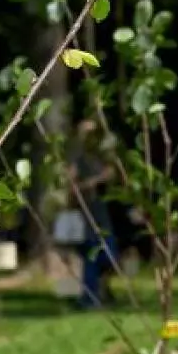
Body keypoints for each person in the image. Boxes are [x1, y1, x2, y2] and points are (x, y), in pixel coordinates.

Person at [68, 119, 119, 309]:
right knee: (91, 256)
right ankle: (89, 297)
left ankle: (101, 291)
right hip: (87, 214)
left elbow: (114, 174)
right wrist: (91, 183)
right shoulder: (78, 160)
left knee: (108, 254)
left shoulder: (103, 157)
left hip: (104, 212)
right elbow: (71, 187)